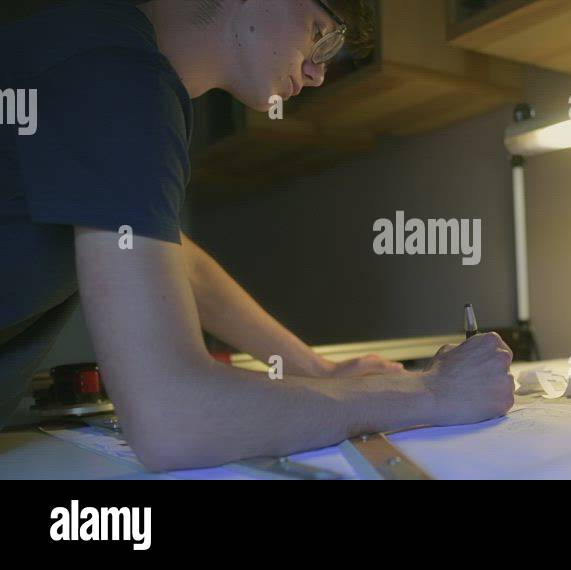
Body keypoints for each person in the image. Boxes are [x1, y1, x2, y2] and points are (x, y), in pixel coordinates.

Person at [0, 0, 514, 471]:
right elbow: (175, 418)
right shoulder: (119, 75)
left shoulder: (101, 48)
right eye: (319, 34)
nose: (316, 72)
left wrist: (316, 369)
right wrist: (430, 392)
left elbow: (178, 259)